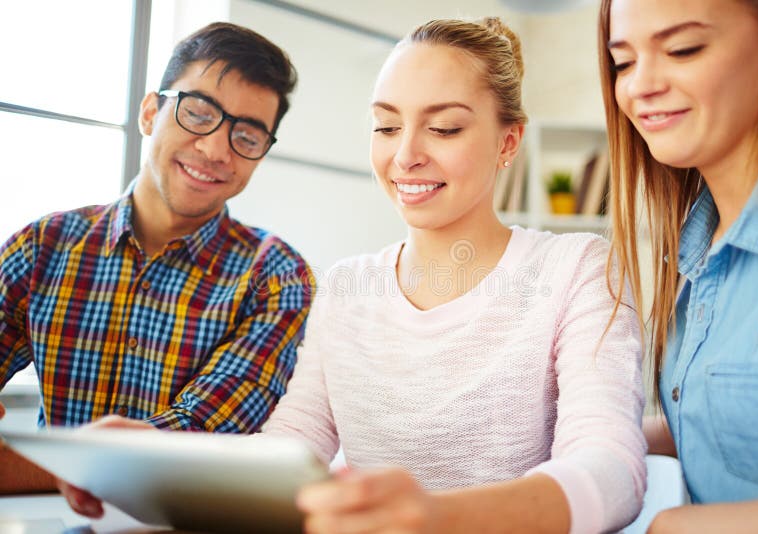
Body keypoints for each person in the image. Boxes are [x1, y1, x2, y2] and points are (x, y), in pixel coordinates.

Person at [58, 17, 647, 533]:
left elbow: (611, 468)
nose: (406, 154)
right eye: (387, 126)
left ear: (508, 141)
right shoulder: (345, 286)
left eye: (443, 128)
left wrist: (442, 520)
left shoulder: (577, 269)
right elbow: (292, 447)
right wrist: (156, 461)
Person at [0, 22, 313, 493]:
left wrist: (52, 466)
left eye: (246, 137)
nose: (214, 149)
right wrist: (88, 465)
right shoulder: (43, 247)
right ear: (150, 112)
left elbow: (204, 442)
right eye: (198, 112)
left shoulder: (276, 275)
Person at [599, 0, 758, 531]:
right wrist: (599, 440)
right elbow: (751, 429)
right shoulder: (699, 254)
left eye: (682, 49)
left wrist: (683, 526)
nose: (640, 86)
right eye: (622, 62)